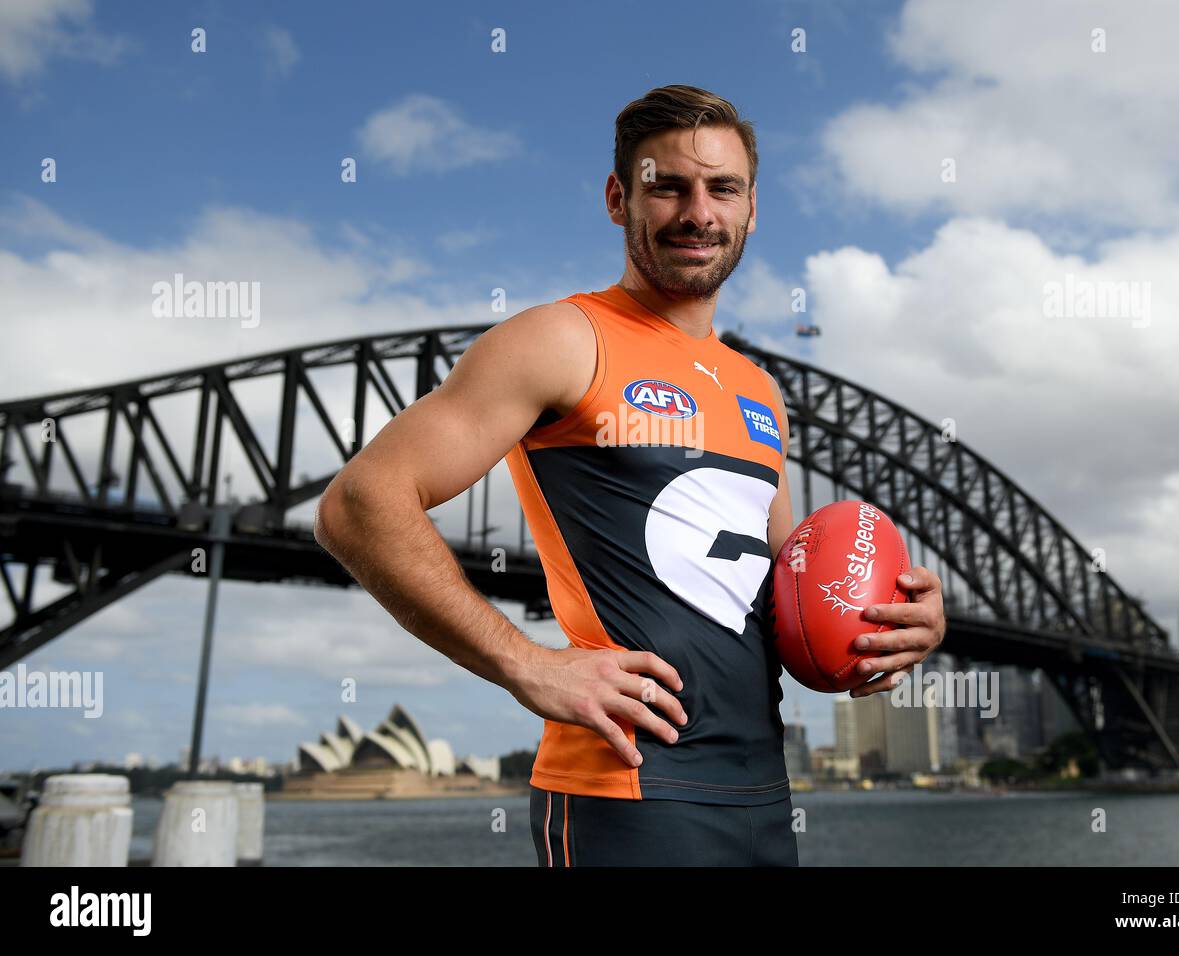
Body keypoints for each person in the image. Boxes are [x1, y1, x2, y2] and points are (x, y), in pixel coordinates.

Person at [314, 84, 946, 866]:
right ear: (620, 198)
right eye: (668, 186)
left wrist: (891, 626)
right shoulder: (560, 340)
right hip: (628, 797)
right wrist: (525, 664)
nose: (698, 212)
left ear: (752, 208)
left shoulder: (758, 389)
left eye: (723, 188)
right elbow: (359, 503)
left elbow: (787, 603)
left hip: (761, 795)